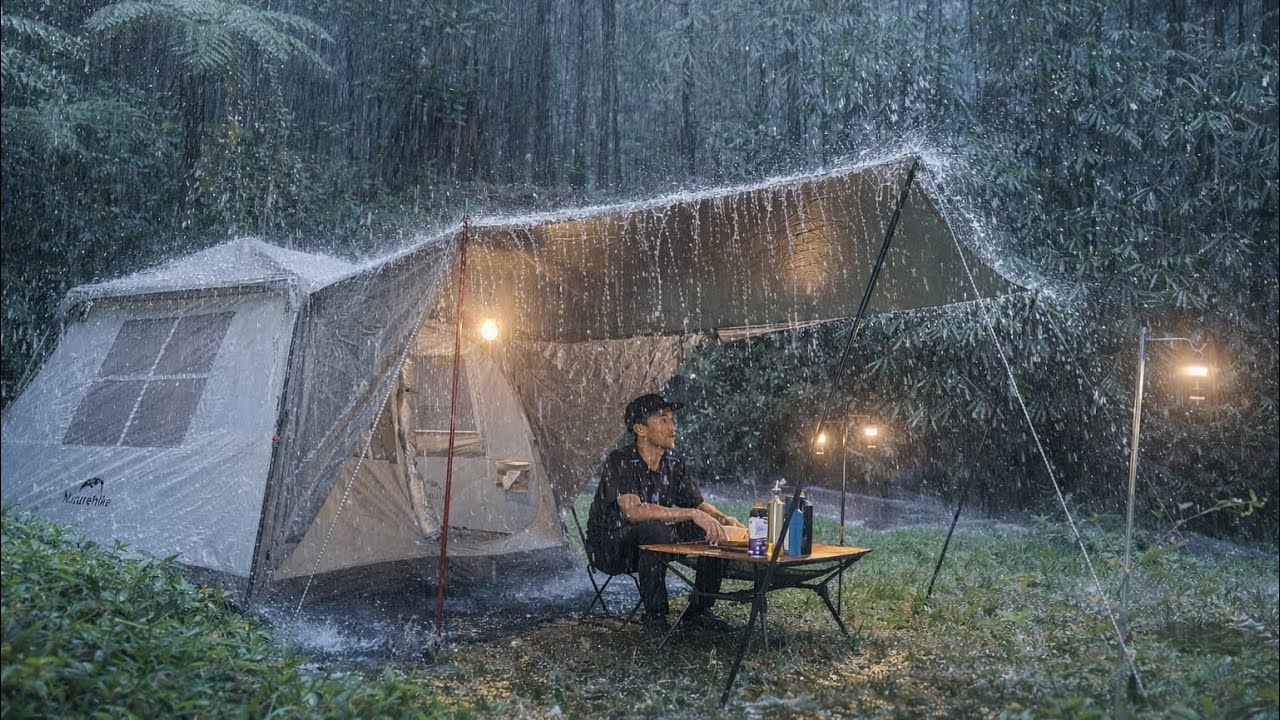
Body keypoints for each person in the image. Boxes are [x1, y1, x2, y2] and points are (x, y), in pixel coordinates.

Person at [586, 393, 744, 632]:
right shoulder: (620, 461)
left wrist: (721, 518)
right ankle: (655, 618)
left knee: (710, 528)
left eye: (673, 420)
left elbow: (698, 505)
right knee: (654, 529)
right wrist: (690, 513)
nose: (672, 428)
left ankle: (699, 610)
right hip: (609, 548)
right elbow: (634, 513)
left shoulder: (674, 463)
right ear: (640, 428)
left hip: (654, 541)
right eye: (663, 420)